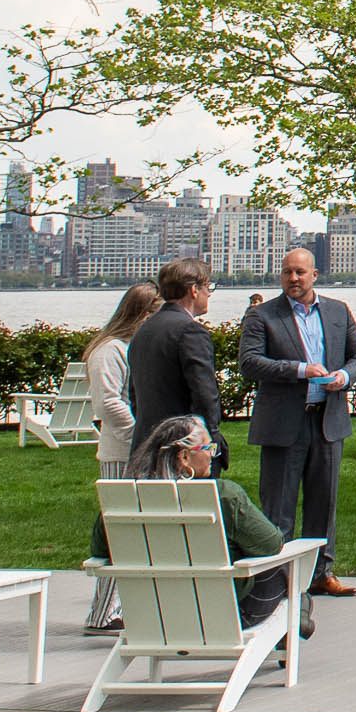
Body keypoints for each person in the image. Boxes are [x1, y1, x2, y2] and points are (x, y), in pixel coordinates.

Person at [240, 246, 356, 599]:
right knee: (278, 509)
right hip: (283, 426)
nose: (293, 279)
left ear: (314, 275)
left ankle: (321, 573)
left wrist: (344, 375)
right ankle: (276, 582)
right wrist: (299, 370)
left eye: (299, 273)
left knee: (322, 505)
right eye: (287, 273)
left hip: (328, 422)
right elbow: (249, 363)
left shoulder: (338, 311)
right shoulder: (262, 315)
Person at [116, 412, 301, 628]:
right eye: (207, 449)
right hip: (224, 613)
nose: (212, 456)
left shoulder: (126, 500)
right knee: (286, 571)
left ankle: (301, 614)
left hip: (154, 614)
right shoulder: (223, 495)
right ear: (184, 457)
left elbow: (101, 549)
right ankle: (301, 614)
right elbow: (271, 544)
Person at [77, 280, 158, 633]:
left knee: (138, 531)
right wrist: (142, 435)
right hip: (121, 451)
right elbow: (108, 404)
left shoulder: (131, 348)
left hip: (138, 448)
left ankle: (122, 607)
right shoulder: (109, 351)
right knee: (121, 530)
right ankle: (102, 613)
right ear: (142, 315)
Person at [127, 257, 220, 438]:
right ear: (194, 290)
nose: (209, 294)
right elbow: (204, 394)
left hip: (147, 440)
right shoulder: (191, 331)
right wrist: (210, 437)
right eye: (208, 288)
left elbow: (134, 394)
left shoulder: (143, 330)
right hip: (182, 443)